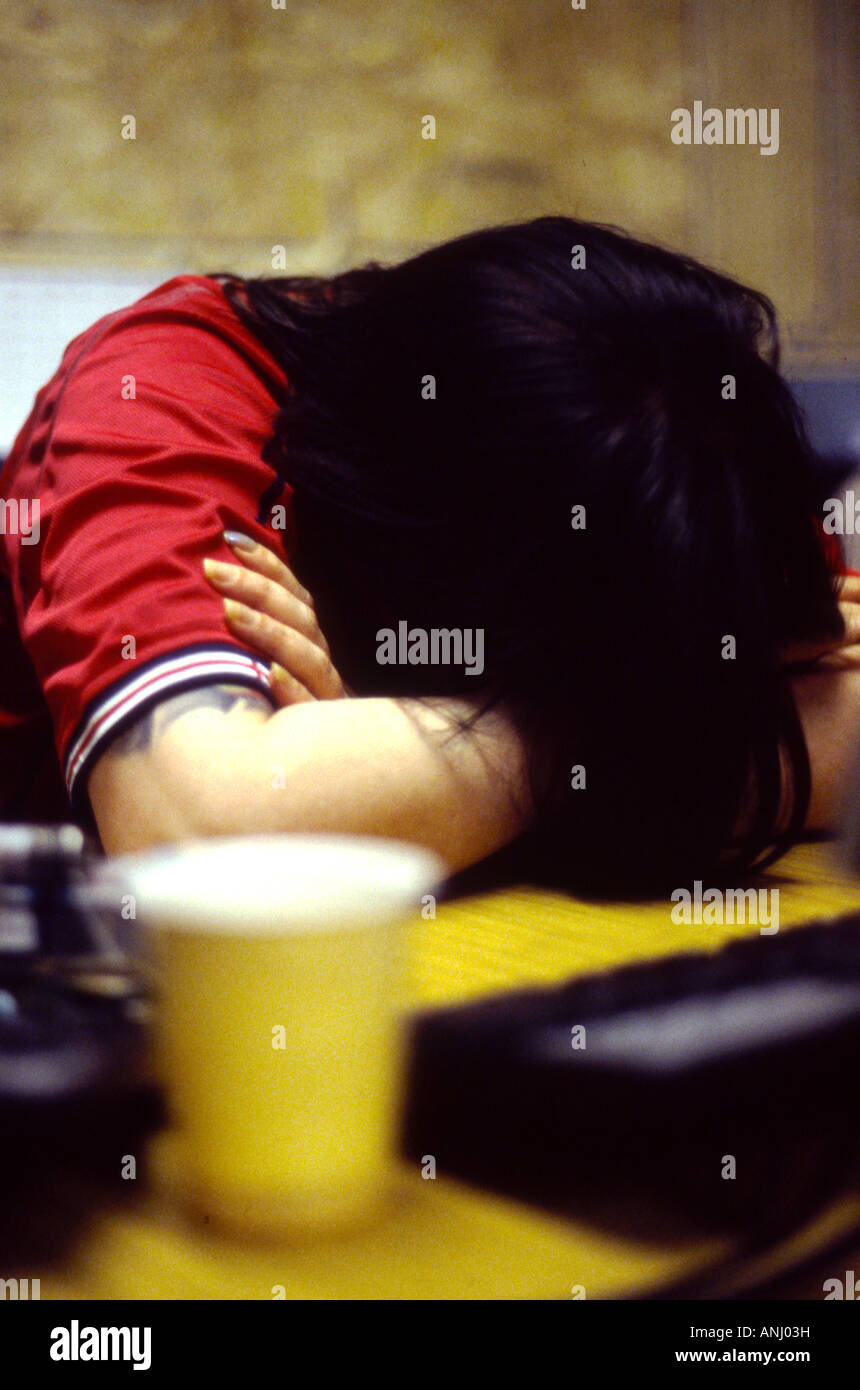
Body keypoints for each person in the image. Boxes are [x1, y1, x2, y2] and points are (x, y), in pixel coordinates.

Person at [1, 216, 858, 897]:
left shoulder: (682, 434)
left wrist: (384, 763)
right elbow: (203, 834)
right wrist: (644, 724)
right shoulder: (164, 389)